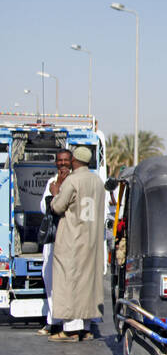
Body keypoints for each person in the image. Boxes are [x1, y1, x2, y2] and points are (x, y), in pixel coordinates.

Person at [49, 146, 106, 342]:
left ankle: (71, 330)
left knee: (69, 281)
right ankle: (86, 328)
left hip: (73, 239)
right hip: (92, 241)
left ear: (75, 161)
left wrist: (56, 191)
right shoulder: (98, 181)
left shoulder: (72, 181)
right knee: (87, 284)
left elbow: (57, 207)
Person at [38, 149, 72, 335]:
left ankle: (69, 324)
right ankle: (52, 321)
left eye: (66, 160)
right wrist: (56, 187)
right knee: (50, 279)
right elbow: (44, 207)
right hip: (53, 239)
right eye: (60, 161)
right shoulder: (52, 182)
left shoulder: (76, 182)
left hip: (69, 239)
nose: (63, 164)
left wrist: (59, 193)